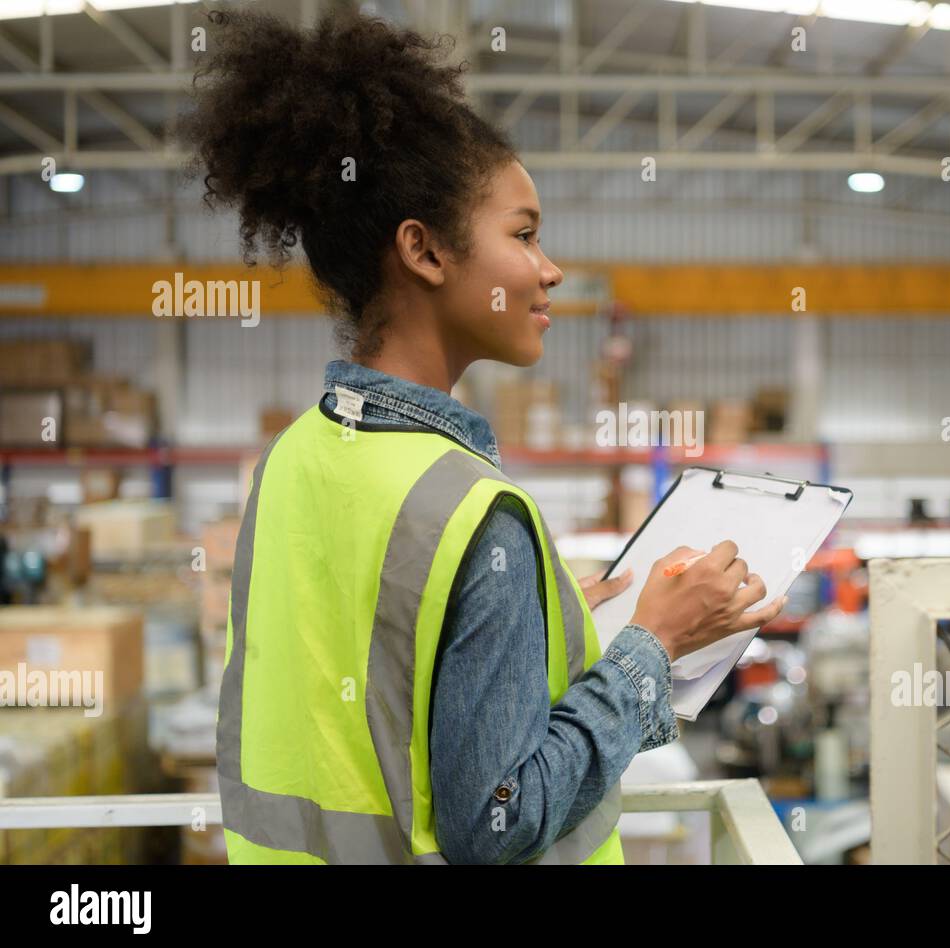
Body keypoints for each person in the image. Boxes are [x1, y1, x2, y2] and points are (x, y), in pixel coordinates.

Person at [182, 8, 784, 865]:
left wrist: (533, 620)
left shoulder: (292, 460)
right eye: (525, 234)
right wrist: (653, 648)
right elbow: (495, 820)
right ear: (424, 252)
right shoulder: (470, 515)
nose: (552, 269)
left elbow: (361, 671)